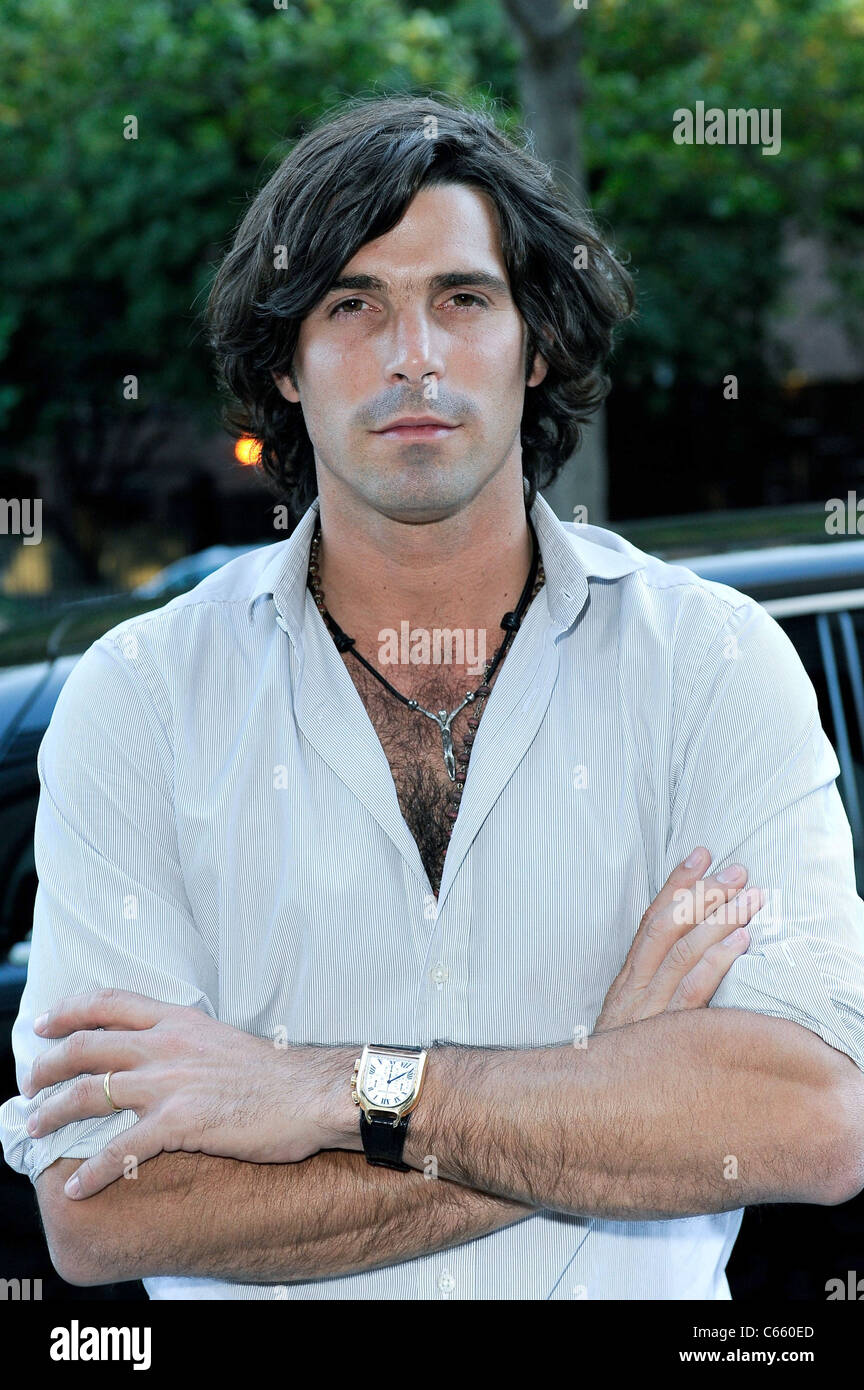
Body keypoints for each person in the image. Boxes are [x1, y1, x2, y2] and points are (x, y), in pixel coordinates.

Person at [2, 93, 864, 1301]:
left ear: (537, 342)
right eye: (353, 305)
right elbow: (104, 1208)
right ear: (285, 366)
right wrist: (601, 1083)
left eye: (464, 299)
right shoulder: (141, 702)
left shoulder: (712, 665)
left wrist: (326, 1088)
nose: (416, 353)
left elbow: (814, 1116)